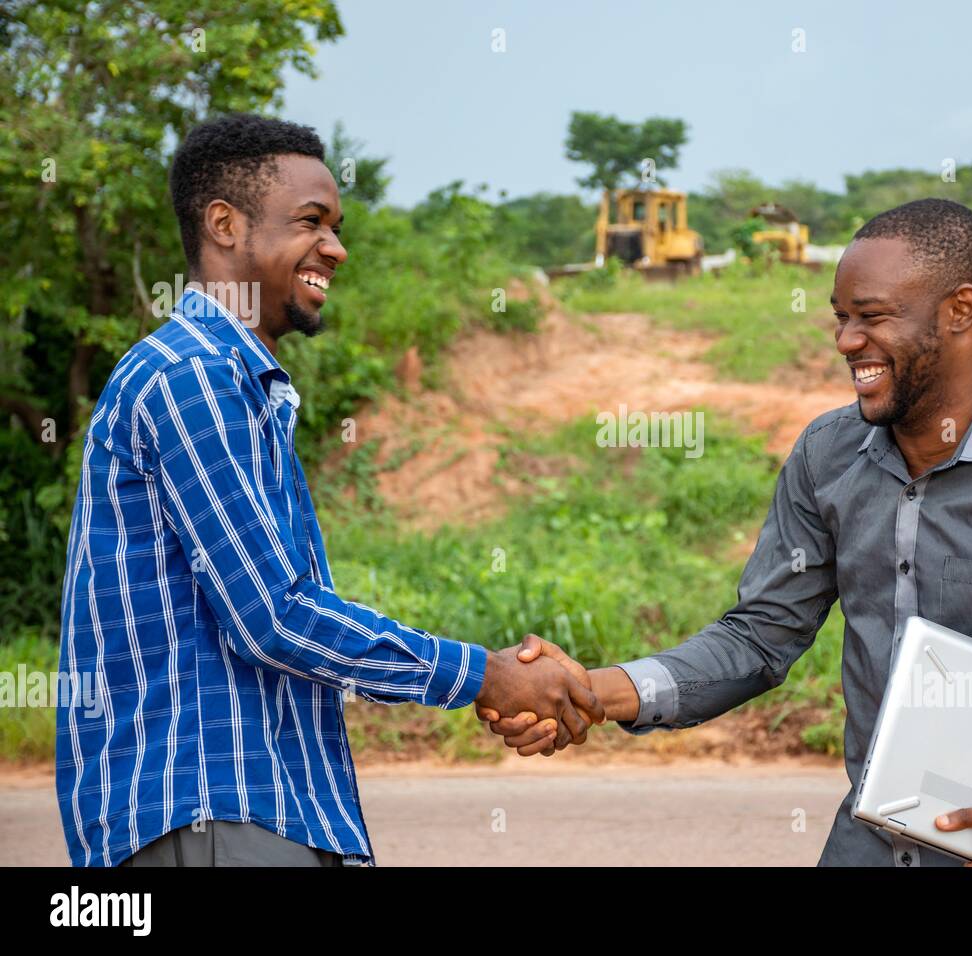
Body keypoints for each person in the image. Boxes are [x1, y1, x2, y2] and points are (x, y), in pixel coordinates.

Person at [481, 198, 972, 867]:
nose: (846, 342)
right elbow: (760, 637)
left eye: (873, 317)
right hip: (865, 841)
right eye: (841, 318)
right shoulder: (827, 455)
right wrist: (595, 692)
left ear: (960, 311)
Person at [55, 113, 602, 868]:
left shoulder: (236, 384)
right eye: (311, 223)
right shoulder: (192, 377)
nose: (336, 249)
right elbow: (272, 616)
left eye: (337, 227)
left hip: (261, 808)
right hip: (214, 810)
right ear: (224, 224)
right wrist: (483, 672)